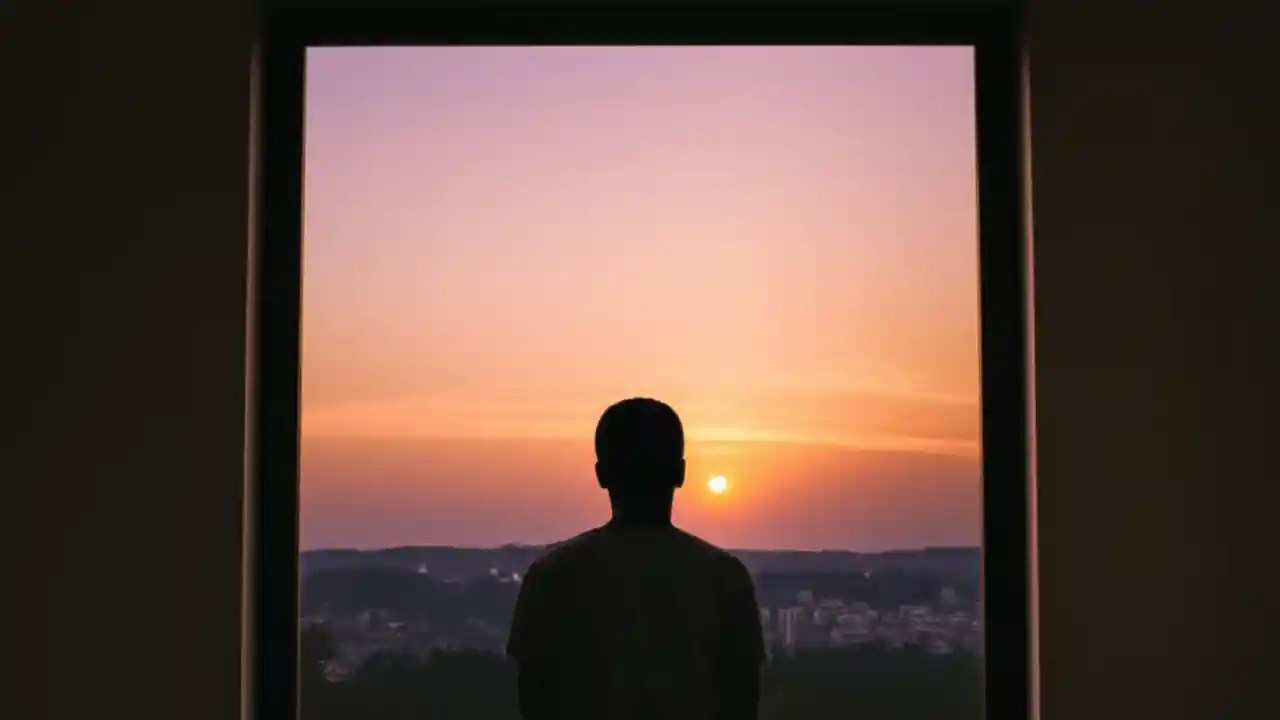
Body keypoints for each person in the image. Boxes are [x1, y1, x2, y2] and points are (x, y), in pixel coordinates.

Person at [507, 398, 765, 720]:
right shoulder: (724, 577)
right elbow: (742, 702)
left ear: (601, 475)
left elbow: (534, 698)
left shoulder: (553, 575)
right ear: (680, 472)